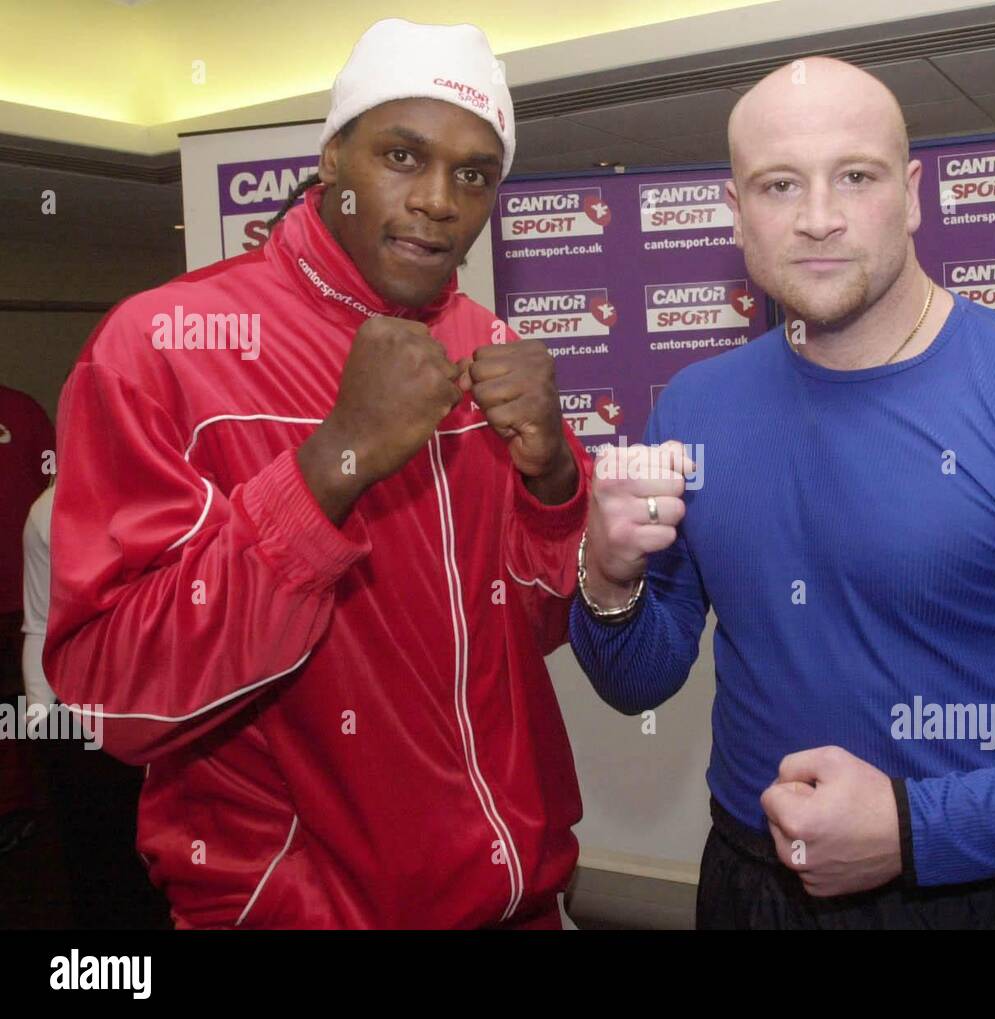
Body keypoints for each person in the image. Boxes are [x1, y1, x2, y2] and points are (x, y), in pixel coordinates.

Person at [569, 57, 995, 930]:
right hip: (748, 886)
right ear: (737, 213)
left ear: (911, 195)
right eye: (780, 184)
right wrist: (606, 576)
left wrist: (916, 830)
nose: (818, 217)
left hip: (979, 890)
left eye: (855, 177)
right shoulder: (694, 407)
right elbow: (637, 681)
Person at [43, 19, 590, 929]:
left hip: (517, 898)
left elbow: (530, 633)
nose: (438, 201)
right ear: (332, 156)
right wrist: (335, 462)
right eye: (402, 155)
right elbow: (109, 695)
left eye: (473, 174)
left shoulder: (488, 348)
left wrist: (554, 485)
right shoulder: (162, 346)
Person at [23, 482, 171, 928]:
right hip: (82, 715)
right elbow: (38, 623)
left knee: (175, 854)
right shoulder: (48, 512)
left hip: (167, 709)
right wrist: (41, 721)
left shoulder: (171, 497)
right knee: (98, 859)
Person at [0, 384, 54, 857]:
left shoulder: (22, 410)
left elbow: (57, 494)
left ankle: (23, 808)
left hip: (26, 598)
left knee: (27, 710)